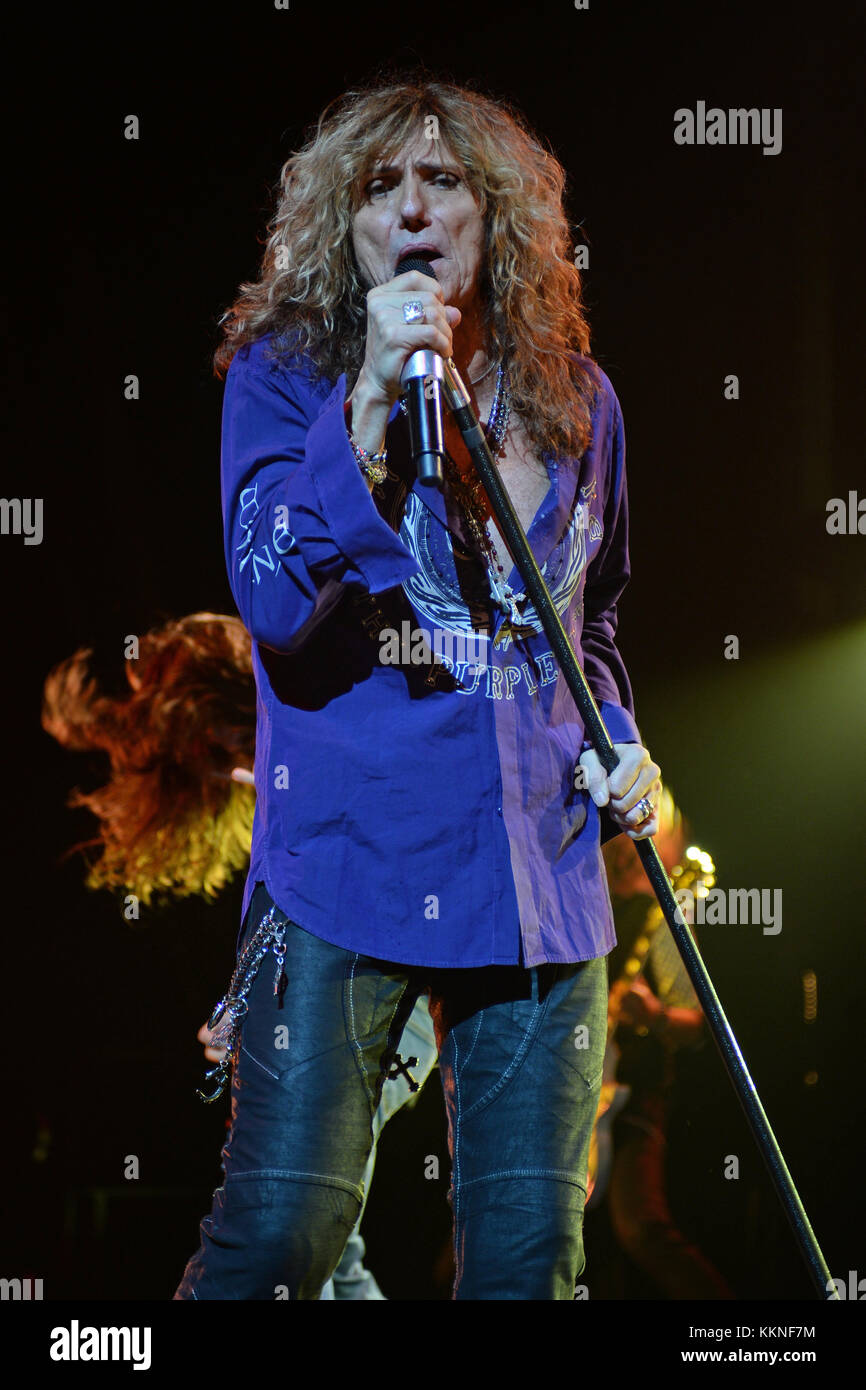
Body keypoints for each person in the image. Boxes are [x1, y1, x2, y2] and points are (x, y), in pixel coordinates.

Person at [164, 75, 662, 1301]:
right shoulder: (284, 376)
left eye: (441, 181)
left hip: (539, 879)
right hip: (348, 866)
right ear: (346, 225)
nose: (412, 210)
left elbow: (587, 621)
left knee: (528, 1265)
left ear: (496, 215)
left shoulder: (577, 399)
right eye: (380, 188)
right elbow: (273, 604)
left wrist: (620, 747)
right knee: (280, 1242)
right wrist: (375, 397)